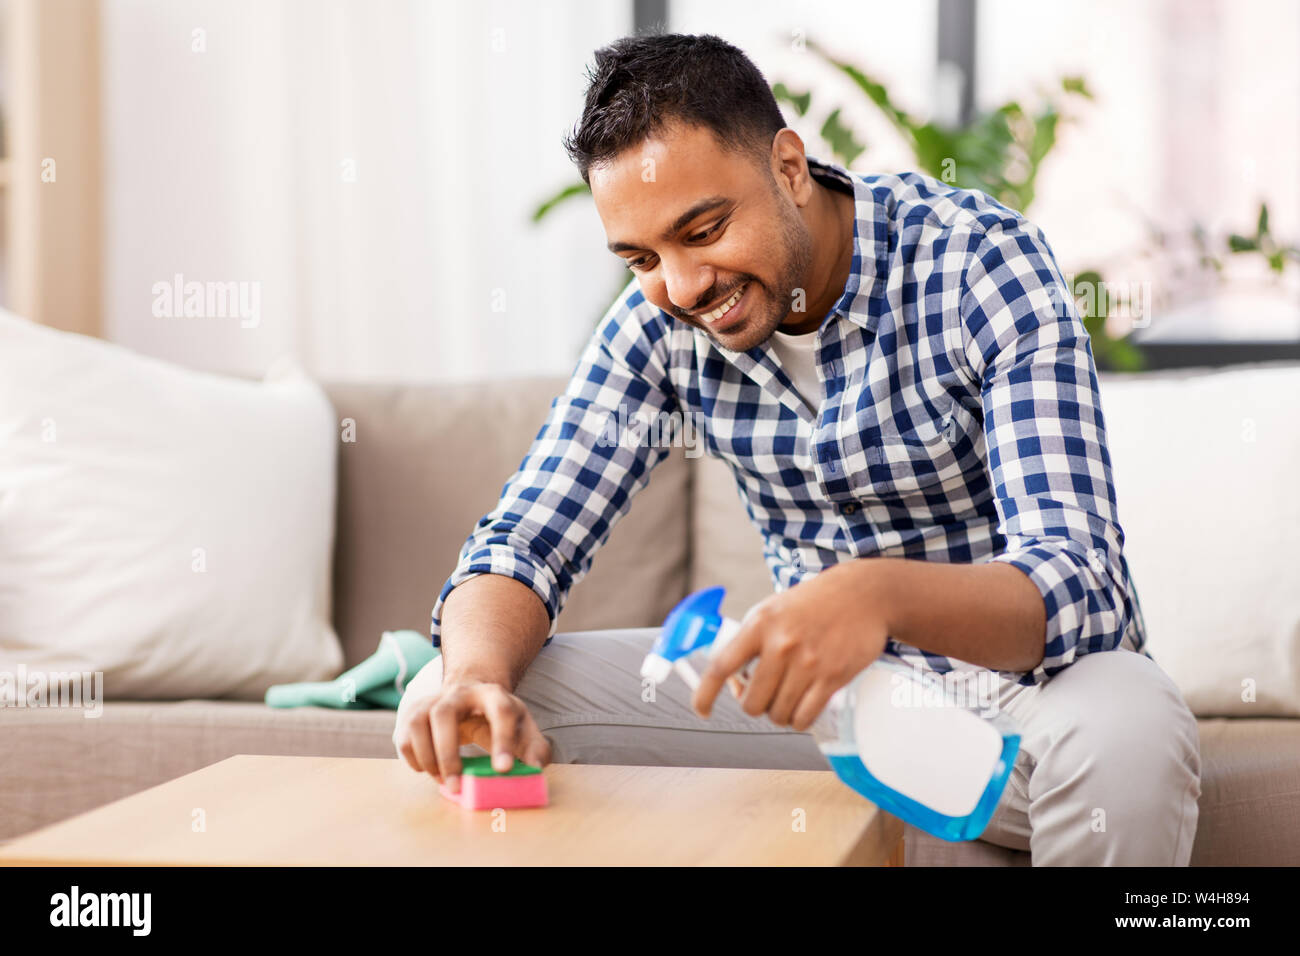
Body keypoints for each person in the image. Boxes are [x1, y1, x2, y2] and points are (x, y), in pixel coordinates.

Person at [393, 33, 1201, 865]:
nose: (681, 287)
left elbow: (1082, 584)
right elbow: (525, 541)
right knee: (452, 700)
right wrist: (473, 681)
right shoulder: (661, 323)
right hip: (829, 714)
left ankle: (944, 818)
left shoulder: (977, 264)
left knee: (1128, 736)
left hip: (1017, 699)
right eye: (642, 258)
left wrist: (872, 597)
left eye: (702, 229)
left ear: (787, 165)